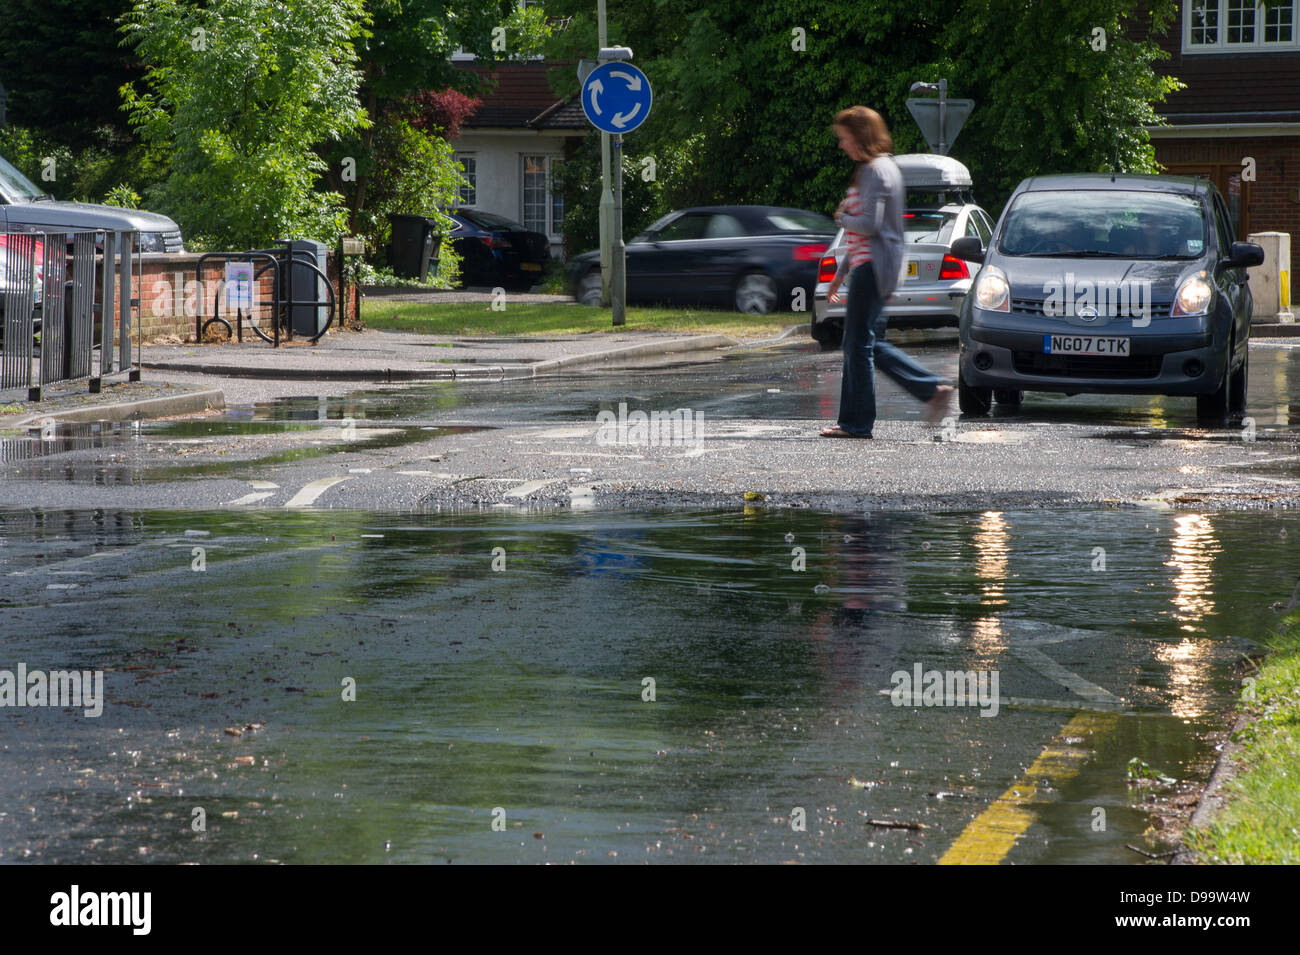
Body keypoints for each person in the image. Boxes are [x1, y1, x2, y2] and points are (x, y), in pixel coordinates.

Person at [821, 107, 953, 438]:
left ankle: (857, 423)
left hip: (874, 269)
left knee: (858, 346)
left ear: (860, 136)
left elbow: (867, 225)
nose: (842, 145)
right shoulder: (885, 168)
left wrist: (842, 218)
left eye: (844, 138)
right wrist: (839, 276)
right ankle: (930, 390)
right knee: (868, 344)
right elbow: (866, 237)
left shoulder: (873, 171)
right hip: (876, 267)